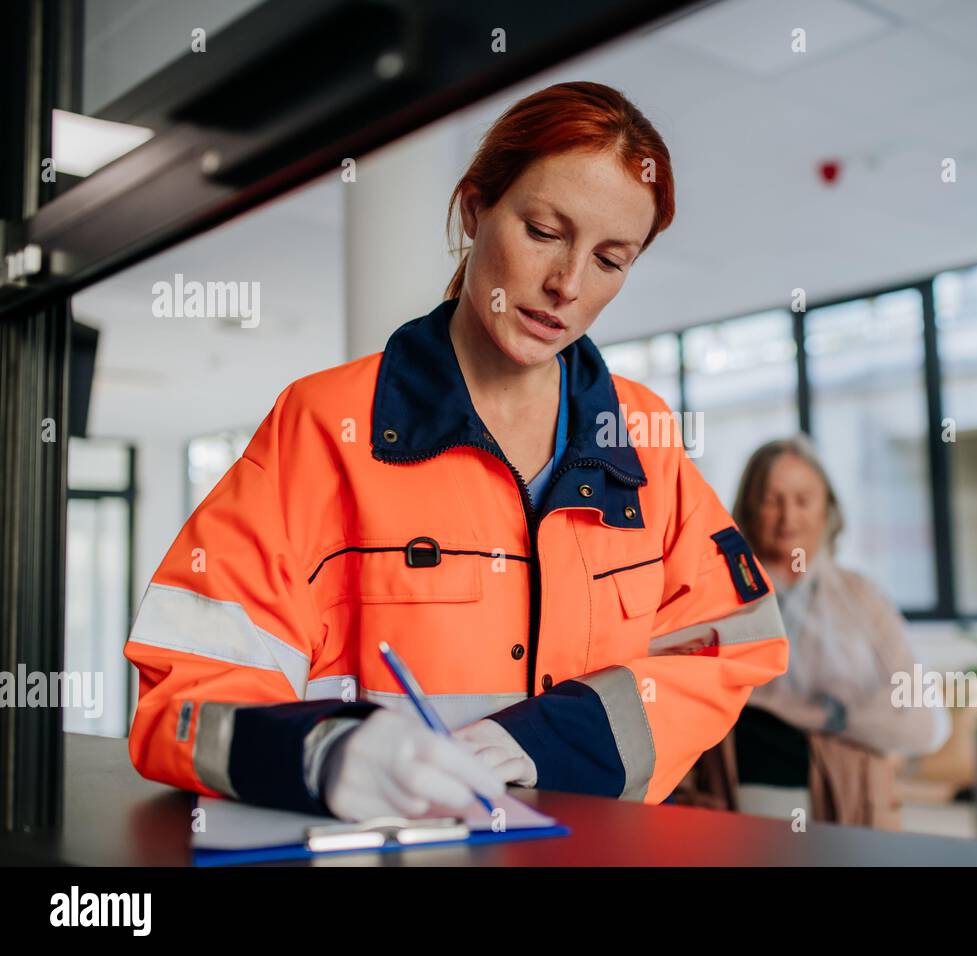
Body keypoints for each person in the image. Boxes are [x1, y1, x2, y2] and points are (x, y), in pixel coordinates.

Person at [124, 81, 789, 822]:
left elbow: (729, 647)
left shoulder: (642, 436)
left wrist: (554, 742)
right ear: (475, 208)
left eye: (611, 259)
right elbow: (182, 697)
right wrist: (322, 752)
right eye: (543, 232)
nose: (566, 285)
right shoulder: (322, 425)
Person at [727, 435, 948, 818]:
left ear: (827, 508)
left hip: (848, 807)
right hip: (742, 806)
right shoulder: (718, 595)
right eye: (771, 500)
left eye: (803, 500)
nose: (788, 517)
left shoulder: (861, 597)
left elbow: (922, 721)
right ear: (748, 506)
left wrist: (813, 714)